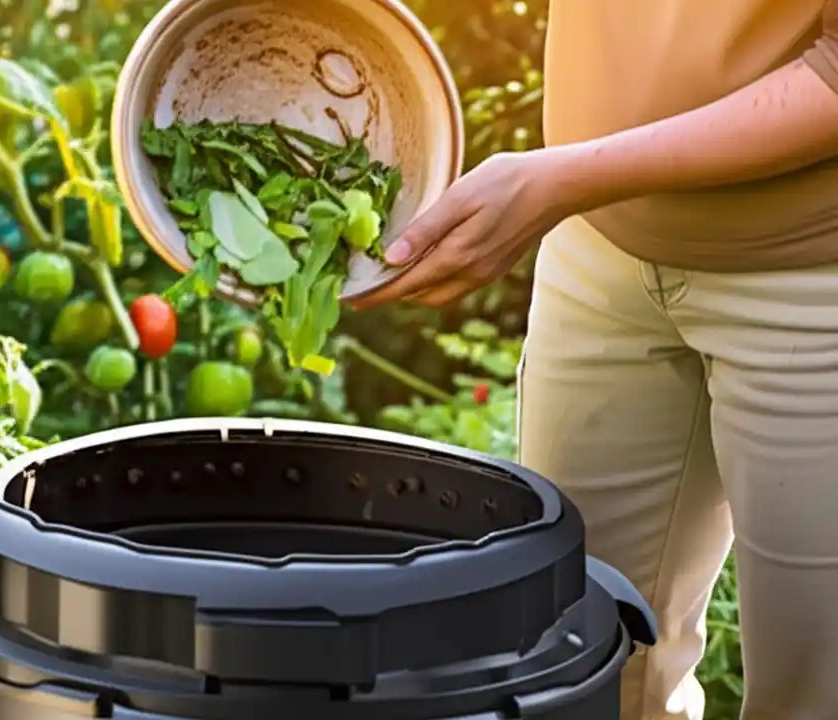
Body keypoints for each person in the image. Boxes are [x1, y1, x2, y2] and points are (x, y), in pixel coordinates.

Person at [355, 1, 838, 719]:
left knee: (814, 687)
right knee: (571, 659)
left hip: (808, 277)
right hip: (600, 250)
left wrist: (566, 178)